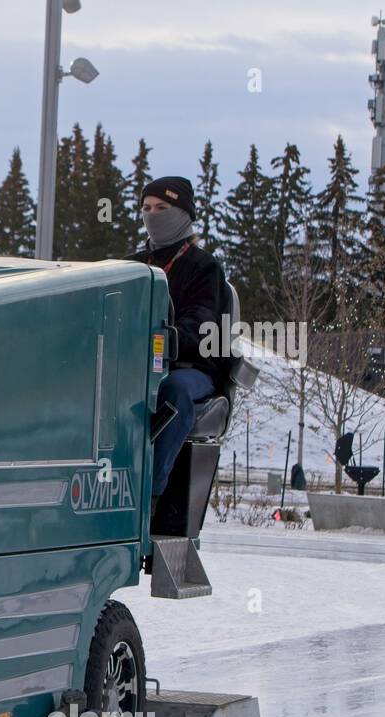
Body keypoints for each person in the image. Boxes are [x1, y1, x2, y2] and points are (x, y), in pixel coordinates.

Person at [131, 176, 228, 515]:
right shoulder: (131, 265)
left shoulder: (203, 268)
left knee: (170, 391)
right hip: (133, 364)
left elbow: (200, 324)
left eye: (162, 208)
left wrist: (164, 338)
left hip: (190, 367)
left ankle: (149, 496)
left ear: (184, 214)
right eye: (146, 208)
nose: (152, 214)